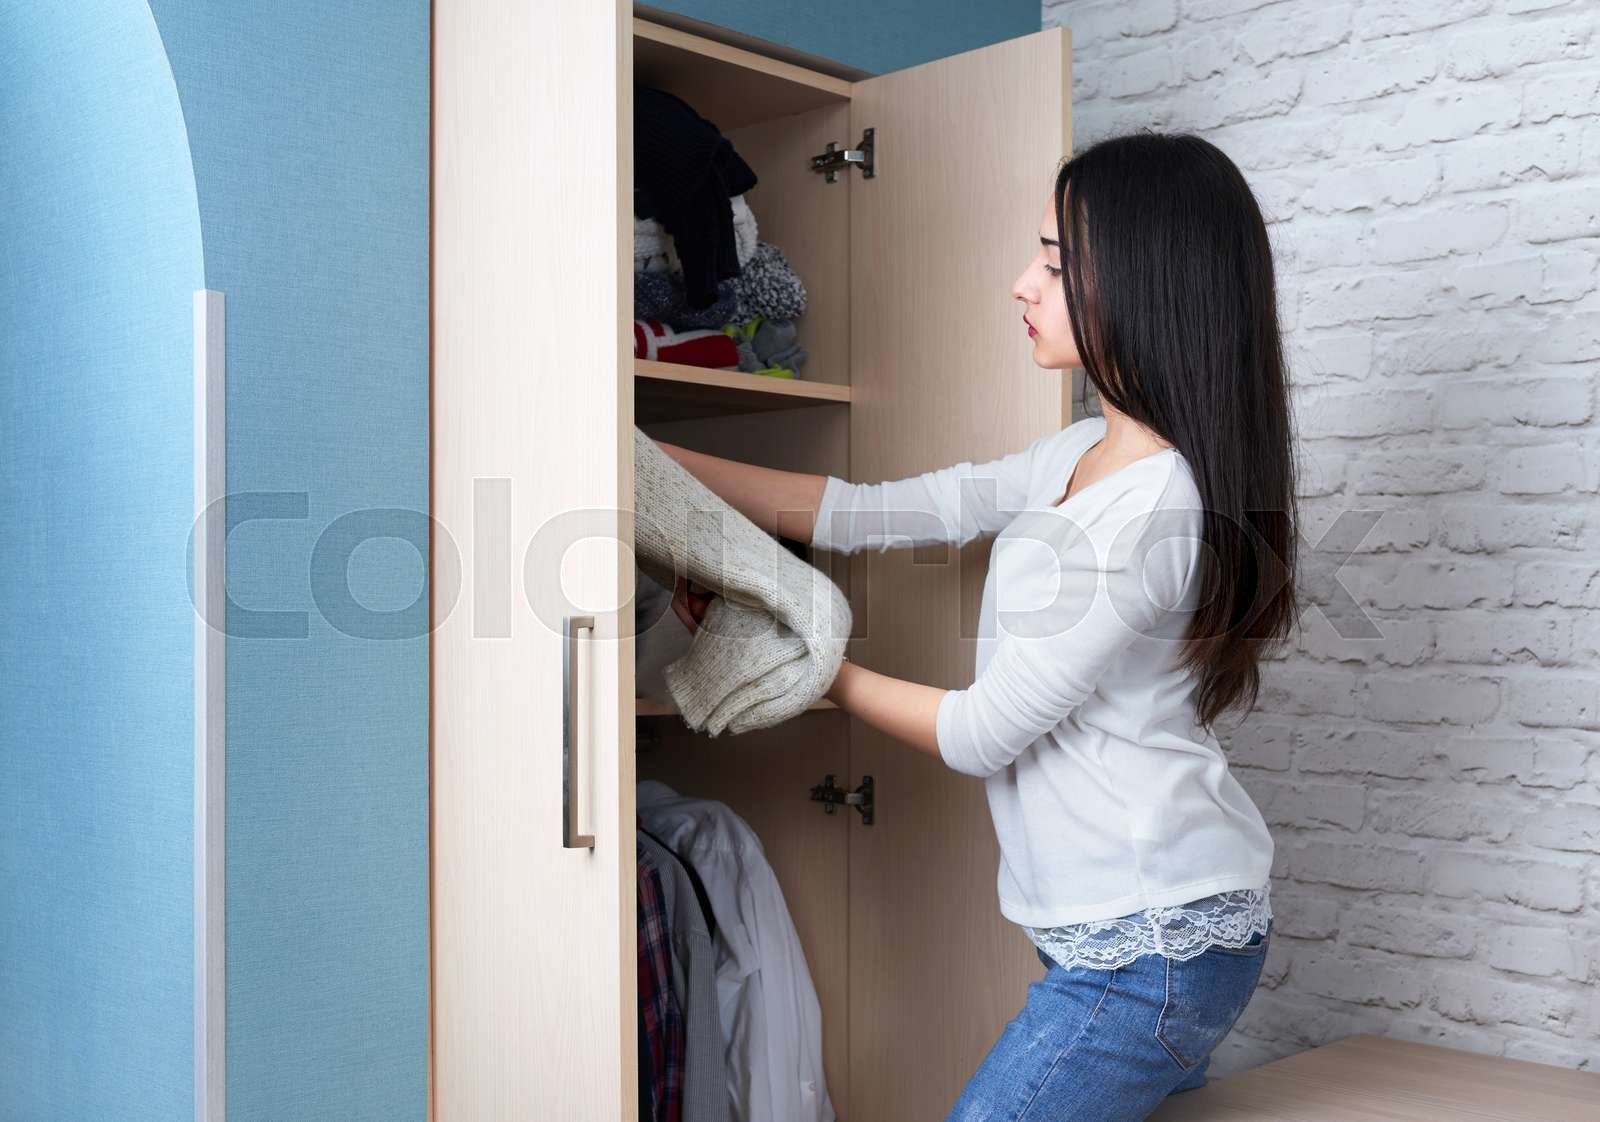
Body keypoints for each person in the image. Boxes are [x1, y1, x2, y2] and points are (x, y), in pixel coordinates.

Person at [656, 129, 1300, 1122]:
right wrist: (651, 461)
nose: (1019, 285)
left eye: (1051, 263)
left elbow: (982, 730)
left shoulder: (1154, 506)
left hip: (1149, 949)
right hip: (1122, 933)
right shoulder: (1079, 452)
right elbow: (864, 511)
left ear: (1143, 281)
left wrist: (811, 663)